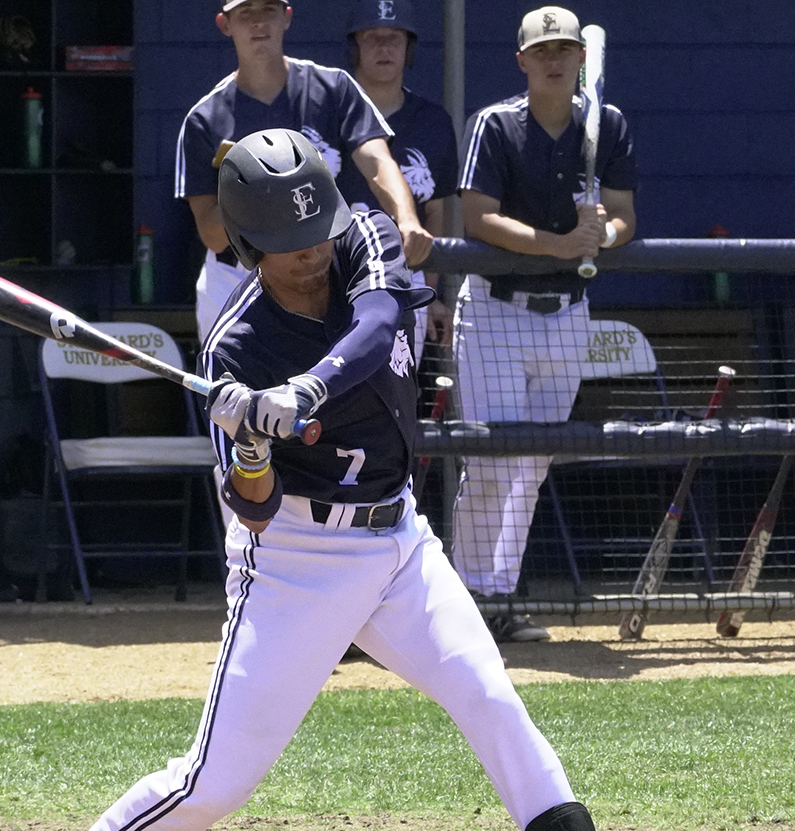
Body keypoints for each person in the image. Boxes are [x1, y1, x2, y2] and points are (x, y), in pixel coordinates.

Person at [0, 130, 654, 831]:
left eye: (318, 231)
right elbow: (249, 510)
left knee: (494, 705)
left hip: (400, 540)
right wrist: (254, 441)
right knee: (216, 782)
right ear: (248, 243)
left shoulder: (366, 237)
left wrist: (301, 391)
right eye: (291, 244)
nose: (313, 253)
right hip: (295, 561)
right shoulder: (234, 349)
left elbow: (376, 330)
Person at [448, 6, 635, 643]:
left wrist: (599, 233)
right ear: (523, 60)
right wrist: (558, 244)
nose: (555, 59)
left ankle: (499, 595)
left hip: (568, 316)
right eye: (543, 50)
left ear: (582, 56)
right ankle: (468, 596)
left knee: (532, 464)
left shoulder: (605, 123)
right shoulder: (496, 125)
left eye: (565, 49)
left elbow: (624, 217)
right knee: (494, 459)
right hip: (500, 310)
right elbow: (478, 218)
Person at [175, 0, 433, 341]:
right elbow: (212, 234)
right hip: (239, 276)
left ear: (287, 17)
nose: (258, 23)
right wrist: (259, 191)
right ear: (225, 24)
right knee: (241, 394)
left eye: (268, 10)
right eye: (245, 13)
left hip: (324, 270)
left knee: (347, 388)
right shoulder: (204, 118)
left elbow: (377, 161)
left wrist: (407, 219)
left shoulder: (333, 87)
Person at [339, 0, 458, 352]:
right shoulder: (329, 110)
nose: (384, 46)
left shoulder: (433, 122)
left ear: (409, 48)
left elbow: (436, 214)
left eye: (395, 38)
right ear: (354, 47)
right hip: (332, 275)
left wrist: (433, 294)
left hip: (404, 280)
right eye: (372, 37)